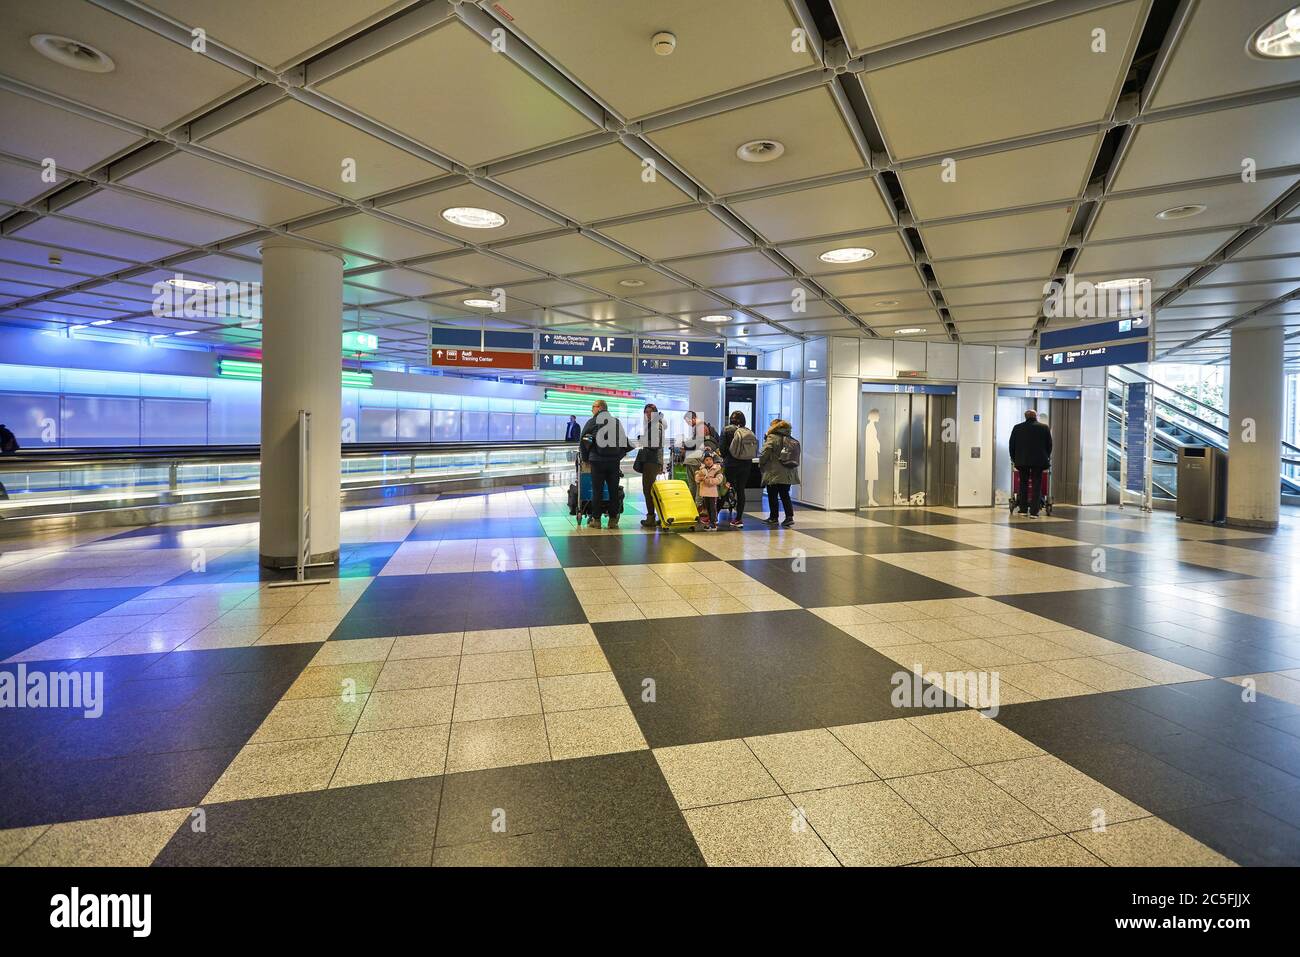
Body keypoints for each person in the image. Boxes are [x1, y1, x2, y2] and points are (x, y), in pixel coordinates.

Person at [579, 400, 631, 529]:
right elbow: (624, 441)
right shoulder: (616, 422)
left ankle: (596, 520)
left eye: (593, 407)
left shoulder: (592, 421)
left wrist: (586, 459)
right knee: (613, 490)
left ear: (599, 408)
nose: (592, 410)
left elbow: (583, 440)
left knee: (597, 491)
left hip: (597, 462)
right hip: (613, 462)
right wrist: (618, 456)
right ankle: (612, 520)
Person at [1008, 407, 1052, 517]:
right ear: (1036, 416)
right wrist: (1046, 456)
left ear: (1025, 417)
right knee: (1037, 485)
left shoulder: (1017, 428)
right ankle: (1034, 512)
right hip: (1039, 461)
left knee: (1023, 484)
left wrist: (1014, 458)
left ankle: (1023, 509)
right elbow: (1049, 445)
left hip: (1022, 461)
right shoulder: (1044, 428)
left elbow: (1012, 444)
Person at [720, 410, 758, 528]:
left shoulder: (726, 430)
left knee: (724, 488)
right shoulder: (748, 431)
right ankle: (738, 519)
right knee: (741, 490)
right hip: (746, 464)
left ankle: (714, 516)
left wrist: (727, 457)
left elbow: (722, 449)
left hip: (731, 464)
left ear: (731, 420)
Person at [759, 418, 800, 528]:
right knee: (785, 494)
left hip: (774, 472)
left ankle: (774, 517)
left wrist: (761, 463)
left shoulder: (772, 437)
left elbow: (764, 453)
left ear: (774, 427)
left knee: (772, 495)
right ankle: (789, 517)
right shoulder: (789, 437)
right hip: (788, 472)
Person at [634, 403, 665, 528]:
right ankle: (658, 516)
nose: (647, 414)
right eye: (646, 412)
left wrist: (642, 440)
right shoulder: (653, 425)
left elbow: (655, 444)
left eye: (650, 412)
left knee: (648, 490)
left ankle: (651, 517)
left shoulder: (656, 425)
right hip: (652, 461)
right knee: (651, 490)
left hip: (652, 461)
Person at [694, 453, 723, 530]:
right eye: (706, 460)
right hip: (704, 492)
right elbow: (697, 478)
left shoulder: (716, 469)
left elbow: (719, 479)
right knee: (708, 508)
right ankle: (710, 522)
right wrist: (700, 478)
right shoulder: (702, 469)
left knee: (712, 508)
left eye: (710, 459)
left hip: (712, 493)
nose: (709, 461)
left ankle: (713, 523)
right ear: (704, 461)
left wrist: (708, 481)